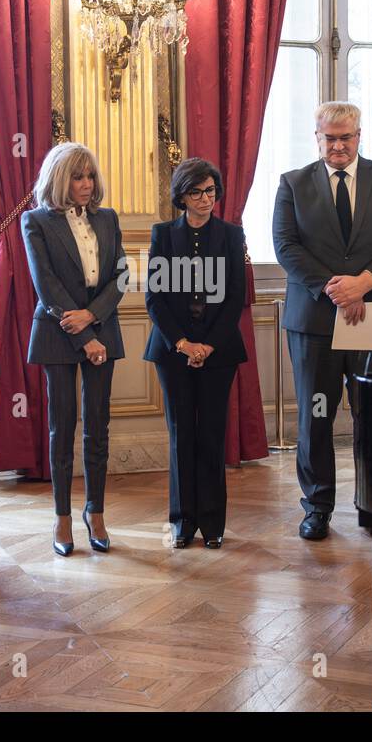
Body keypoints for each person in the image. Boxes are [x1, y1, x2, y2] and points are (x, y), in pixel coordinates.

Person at [273, 101, 372, 540]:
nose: (338, 145)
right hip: (315, 318)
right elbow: (285, 245)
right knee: (317, 415)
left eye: (346, 137)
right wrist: (336, 289)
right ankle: (317, 506)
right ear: (316, 137)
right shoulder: (293, 184)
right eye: (329, 137)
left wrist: (365, 282)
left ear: (359, 136)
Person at [21, 143, 126, 556]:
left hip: (102, 330)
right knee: (61, 429)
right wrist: (82, 333)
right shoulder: (36, 221)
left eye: (90, 176)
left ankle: (95, 512)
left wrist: (92, 319)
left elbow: (121, 276)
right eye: (78, 177)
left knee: (98, 427)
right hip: (57, 335)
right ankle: (62, 516)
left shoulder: (108, 218)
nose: (86, 184)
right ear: (60, 180)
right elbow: (46, 286)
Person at [144, 158, 247, 549]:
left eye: (210, 191)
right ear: (181, 196)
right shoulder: (163, 234)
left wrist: (208, 345)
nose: (206, 199)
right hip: (173, 352)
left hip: (218, 351)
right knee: (181, 434)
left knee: (211, 435)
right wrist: (183, 344)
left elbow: (235, 295)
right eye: (196, 192)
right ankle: (182, 522)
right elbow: (155, 298)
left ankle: (212, 523)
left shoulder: (232, 235)